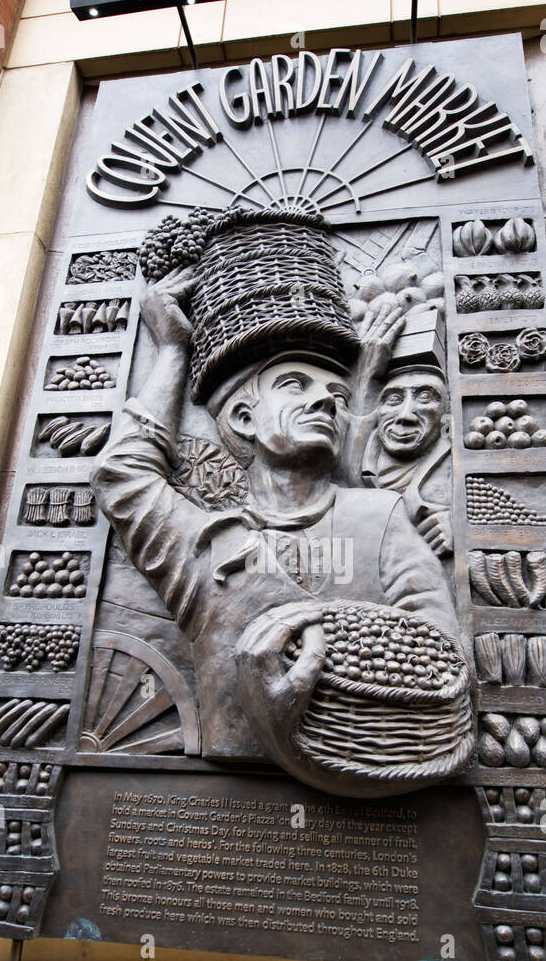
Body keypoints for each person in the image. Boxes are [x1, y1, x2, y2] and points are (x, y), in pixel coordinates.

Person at [91, 269, 466, 795]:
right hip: (228, 800)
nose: (326, 401)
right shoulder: (208, 549)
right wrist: (173, 351)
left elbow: (442, 659)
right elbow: (122, 476)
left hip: (382, 769)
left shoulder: (380, 518)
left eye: (338, 394)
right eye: (296, 385)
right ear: (244, 417)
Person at [361, 364, 453, 561]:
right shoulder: (351, 457)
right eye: (394, 400)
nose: (405, 416)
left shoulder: (460, 463)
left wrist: (461, 530)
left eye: (425, 398)